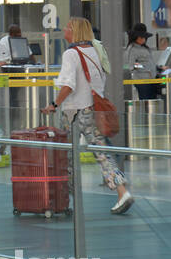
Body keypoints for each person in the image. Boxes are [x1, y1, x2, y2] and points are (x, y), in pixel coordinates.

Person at [42, 17, 134, 214]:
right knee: (102, 154)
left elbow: (68, 85)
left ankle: (65, 200)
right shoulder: (96, 51)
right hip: (94, 109)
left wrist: (53, 104)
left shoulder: (71, 54)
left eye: (67, 27)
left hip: (74, 111)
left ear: (75, 32)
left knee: (65, 155)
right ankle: (122, 191)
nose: (64, 30)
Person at [125, 23, 160, 100]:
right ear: (135, 37)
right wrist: (144, 68)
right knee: (145, 102)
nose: (143, 39)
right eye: (141, 37)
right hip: (141, 81)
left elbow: (149, 62)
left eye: (144, 37)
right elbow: (132, 65)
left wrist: (158, 67)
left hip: (151, 80)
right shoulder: (132, 49)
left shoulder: (146, 48)